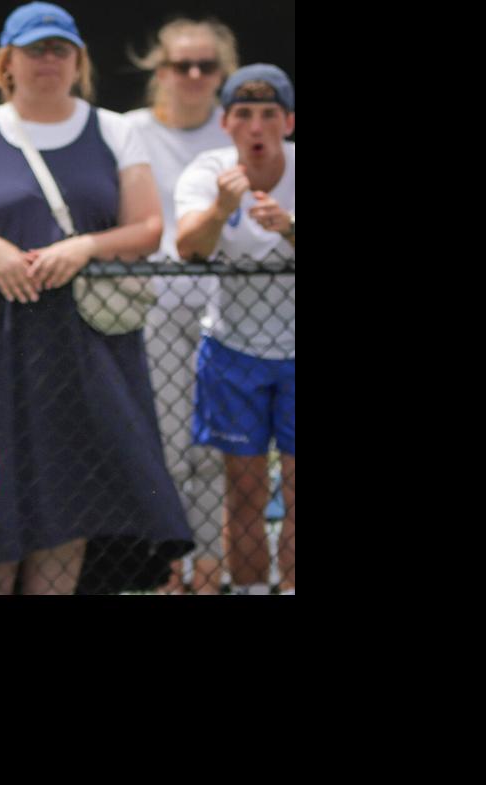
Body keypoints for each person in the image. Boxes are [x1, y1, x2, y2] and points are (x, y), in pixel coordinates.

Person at [0, 2, 188, 595]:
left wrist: (85, 247)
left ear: (78, 62)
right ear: (6, 63)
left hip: (86, 345)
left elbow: (147, 229)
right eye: (34, 49)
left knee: (71, 491)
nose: (47, 60)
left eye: (58, 49)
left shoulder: (116, 130)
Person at [124, 17, 239, 595]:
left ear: (224, 73)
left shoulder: (238, 133)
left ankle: (214, 572)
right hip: (155, 310)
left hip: (231, 314)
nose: (194, 76)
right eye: (181, 65)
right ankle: (168, 572)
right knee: (166, 447)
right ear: (159, 71)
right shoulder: (129, 131)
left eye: (207, 66)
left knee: (220, 451)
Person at [175, 64, 296, 596]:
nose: (256, 127)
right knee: (243, 490)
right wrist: (221, 209)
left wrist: (290, 230)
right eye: (243, 114)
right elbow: (188, 248)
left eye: (269, 114)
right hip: (232, 350)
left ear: (288, 121)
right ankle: (247, 591)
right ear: (225, 123)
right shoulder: (208, 171)